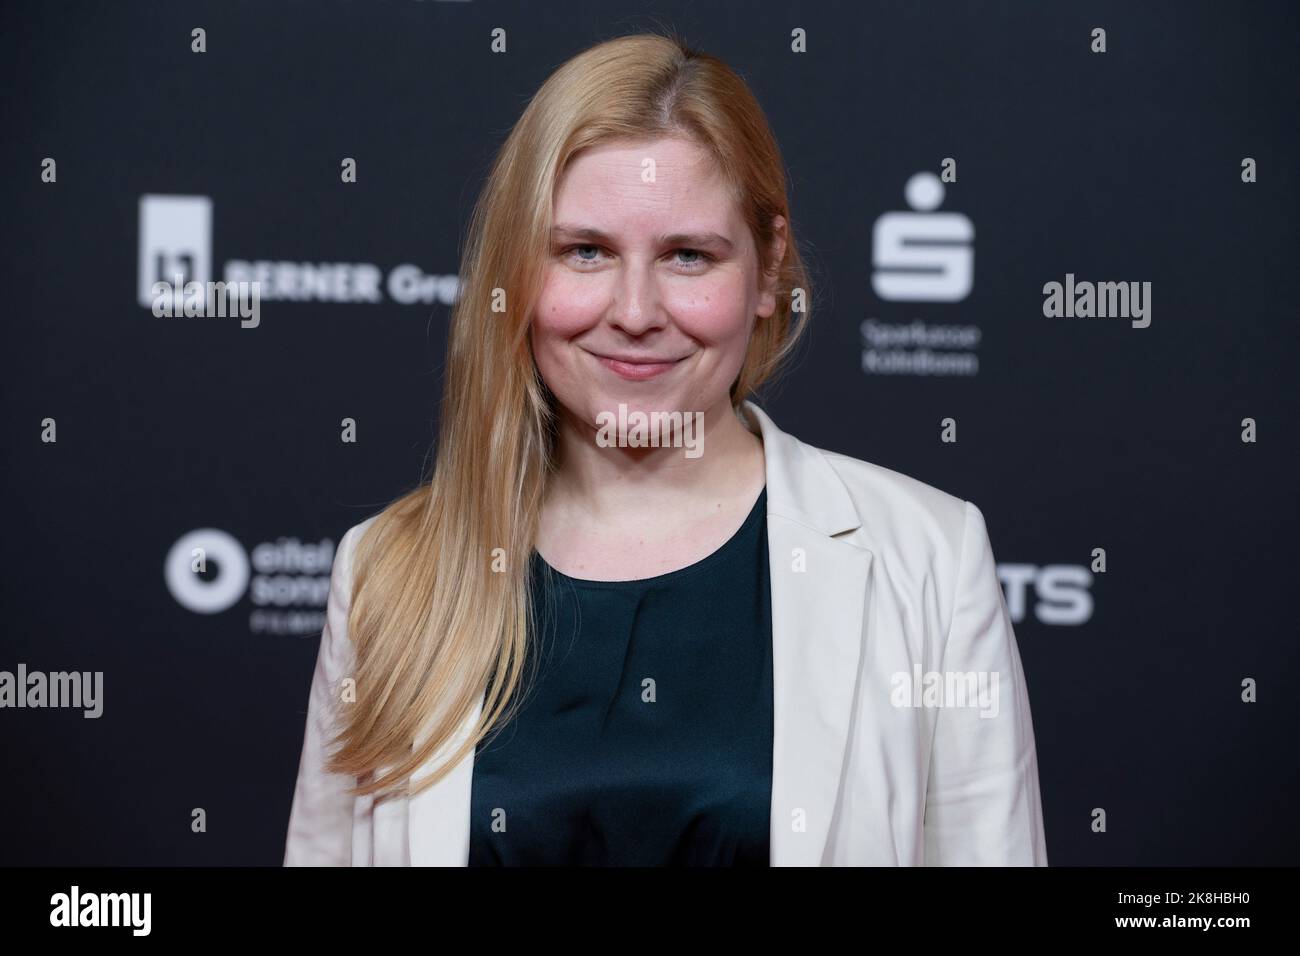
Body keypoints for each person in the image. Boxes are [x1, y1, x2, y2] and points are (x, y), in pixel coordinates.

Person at [284, 31, 1047, 866]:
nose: (637, 310)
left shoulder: (927, 558)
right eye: (585, 252)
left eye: (689, 255)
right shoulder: (390, 572)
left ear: (766, 271)